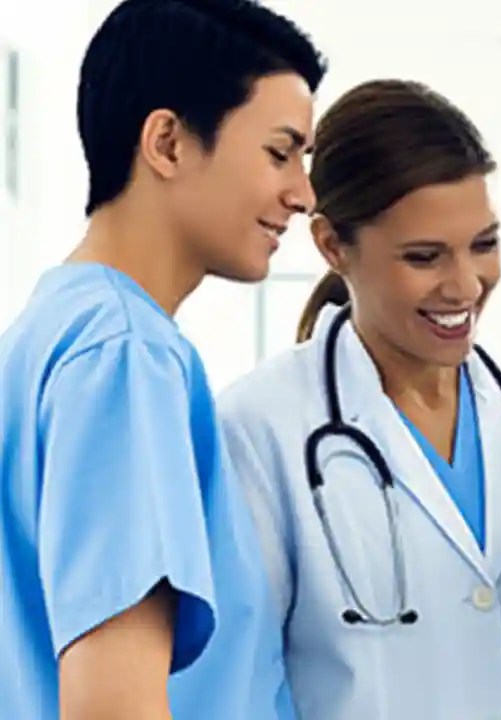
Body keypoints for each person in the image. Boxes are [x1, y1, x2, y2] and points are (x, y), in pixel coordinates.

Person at [216, 79, 501, 720]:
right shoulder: (261, 427)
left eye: (485, 245)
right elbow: (240, 687)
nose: (466, 285)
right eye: (424, 257)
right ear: (332, 245)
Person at [0, 0, 324, 718]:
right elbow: (114, 704)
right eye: (281, 152)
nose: (302, 194)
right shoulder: (125, 357)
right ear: (169, 143)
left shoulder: (51, 331)